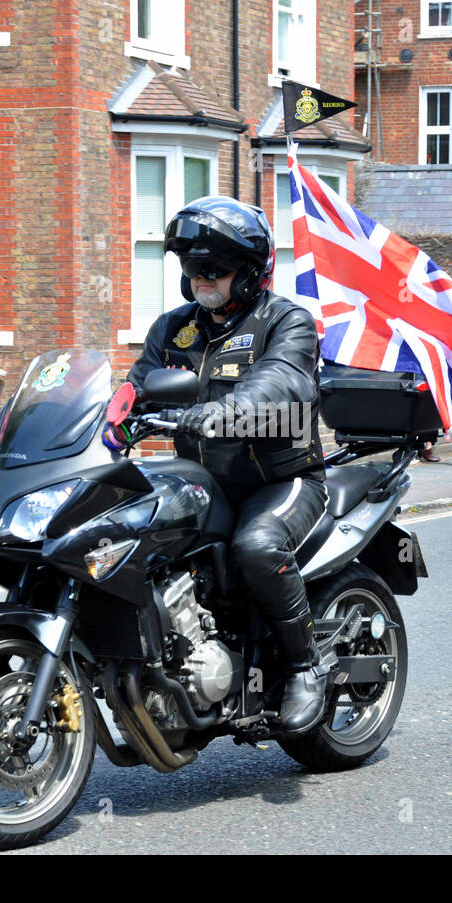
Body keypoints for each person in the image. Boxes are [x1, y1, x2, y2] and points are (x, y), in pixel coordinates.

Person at [125, 196, 330, 734]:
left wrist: (228, 409)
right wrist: (107, 416)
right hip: (200, 482)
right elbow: (136, 386)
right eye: (192, 266)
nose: (201, 278)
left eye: (215, 267)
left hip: (280, 480)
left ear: (252, 269)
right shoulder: (173, 330)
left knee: (257, 546)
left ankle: (305, 668)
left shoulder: (286, 320)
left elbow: (283, 380)